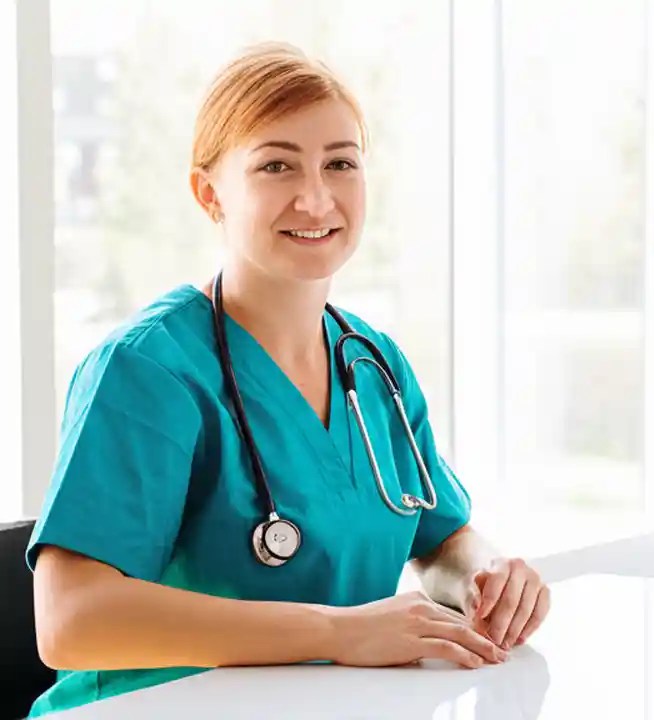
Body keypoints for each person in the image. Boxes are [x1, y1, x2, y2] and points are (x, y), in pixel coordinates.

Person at [26, 43, 550, 718]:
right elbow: (71, 621)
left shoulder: (373, 364)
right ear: (209, 193)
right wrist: (336, 633)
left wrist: (486, 577)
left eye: (340, 163)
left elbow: (440, 538)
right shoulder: (145, 371)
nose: (316, 197)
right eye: (276, 165)